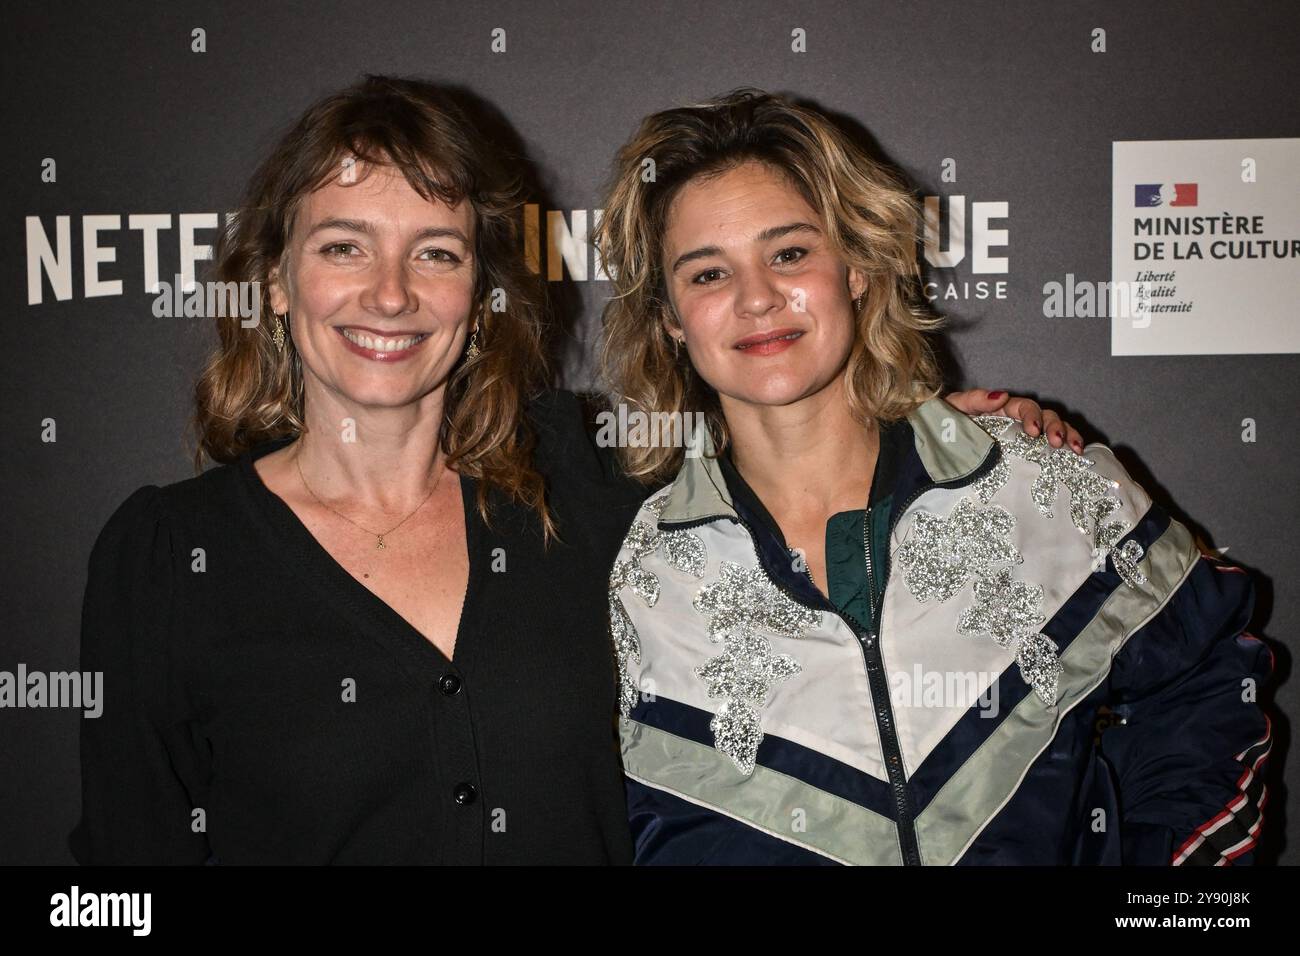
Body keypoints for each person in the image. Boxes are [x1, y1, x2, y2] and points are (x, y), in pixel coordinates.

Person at [70, 75, 1079, 865]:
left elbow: (799, 444)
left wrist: (944, 433)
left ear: (481, 293)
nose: (389, 295)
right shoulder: (169, 554)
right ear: (276, 281)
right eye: (344, 246)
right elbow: (114, 888)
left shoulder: (592, 482)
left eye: (434, 252)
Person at [596, 89, 1273, 865]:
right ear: (672, 318)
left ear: (855, 266)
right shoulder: (632, 569)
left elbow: (1208, 682)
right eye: (708, 275)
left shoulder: (1034, 482)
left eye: (789, 253)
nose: (756, 299)